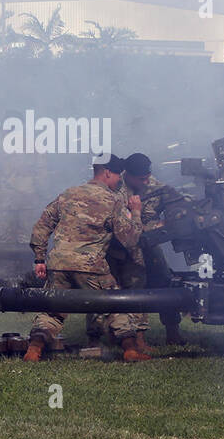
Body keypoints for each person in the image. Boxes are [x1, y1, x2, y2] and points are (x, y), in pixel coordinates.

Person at [26, 154, 148, 362]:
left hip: (58, 264)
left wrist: (39, 258)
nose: (119, 180)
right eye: (118, 175)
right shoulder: (112, 200)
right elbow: (130, 239)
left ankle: (34, 350)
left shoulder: (68, 194)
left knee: (52, 310)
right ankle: (130, 350)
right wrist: (136, 212)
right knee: (114, 305)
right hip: (90, 266)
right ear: (107, 172)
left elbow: (42, 226)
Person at [114, 152, 187, 353]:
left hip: (150, 246)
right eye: (141, 178)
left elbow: (176, 201)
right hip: (125, 249)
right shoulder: (115, 190)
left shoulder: (153, 185)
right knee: (135, 287)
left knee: (165, 282)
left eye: (147, 176)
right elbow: (125, 227)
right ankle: (137, 337)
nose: (146, 181)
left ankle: (173, 332)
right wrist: (155, 225)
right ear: (127, 175)